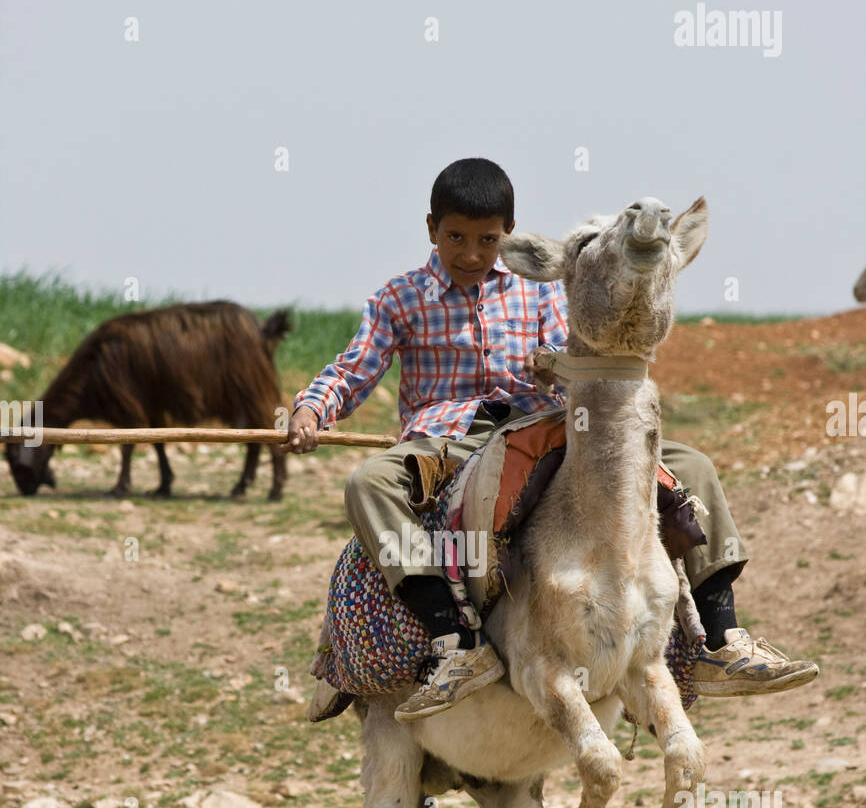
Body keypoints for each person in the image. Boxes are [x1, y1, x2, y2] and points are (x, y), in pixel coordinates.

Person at [288, 157, 818, 722]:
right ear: (430, 229)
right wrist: (310, 408)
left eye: (487, 239)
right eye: (456, 237)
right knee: (367, 483)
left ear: (508, 236)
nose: (470, 253)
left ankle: (722, 637)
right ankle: (453, 642)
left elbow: (568, 352)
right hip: (445, 443)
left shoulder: (536, 289)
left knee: (691, 466)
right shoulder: (400, 298)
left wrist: (554, 367)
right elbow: (351, 370)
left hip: (547, 427)